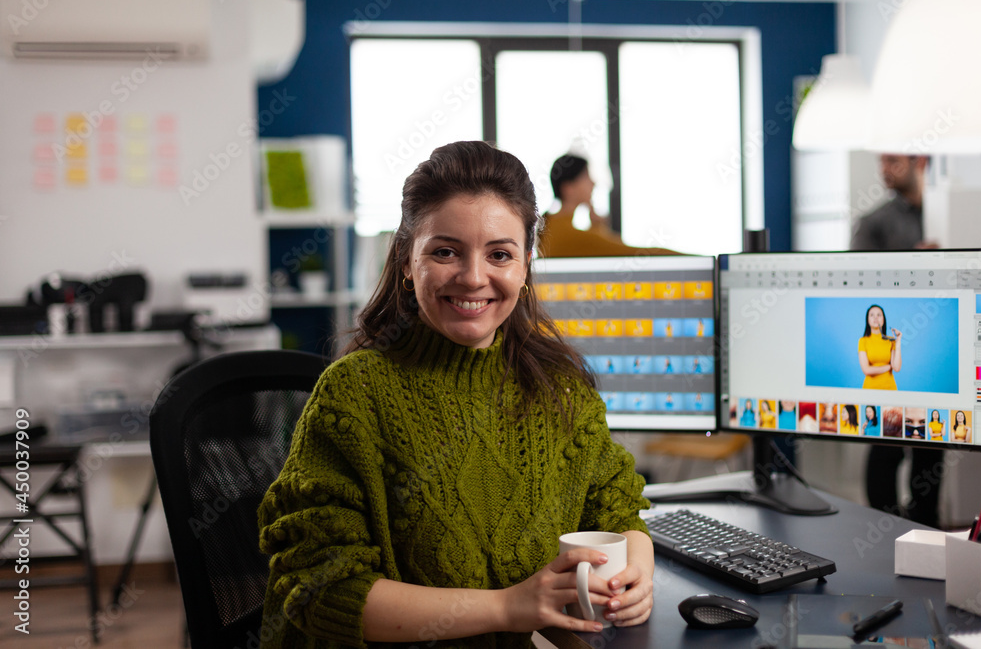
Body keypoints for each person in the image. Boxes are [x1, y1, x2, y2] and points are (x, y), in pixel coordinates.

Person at [256, 141, 654, 648]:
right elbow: (321, 588)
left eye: (500, 255)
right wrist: (508, 607)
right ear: (405, 260)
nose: (473, 277)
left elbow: (616, 507)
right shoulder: (353, 395)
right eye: (445, 251)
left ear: (526, 264)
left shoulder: (561, 386)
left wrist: (637, 567)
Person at [852, 153, 942, 529]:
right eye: (882, 161)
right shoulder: (873, 224)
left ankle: (927, 533)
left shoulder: (942, 214)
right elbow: (856, 287)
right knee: (885, 448)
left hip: (932, 351)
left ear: (919, 159)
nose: (884, 169)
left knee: (931, 452)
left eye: (893, 161)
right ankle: (883, 530)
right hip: (886, 354)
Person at [539, 153, 678, 258]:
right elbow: (624, 252)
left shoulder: (552, 225)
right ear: (568, 188)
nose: (593, 183)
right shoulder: (564, 233)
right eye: (586, 177)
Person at [858, 304, 902, 390]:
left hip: (889, 387)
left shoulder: (891, 340)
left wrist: (898, 341)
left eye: (879, 315)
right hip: (869, 388)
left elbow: (896, 367)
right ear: (868, 320)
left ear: (883, 319)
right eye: (872, 315)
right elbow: (866, 370)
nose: (875, 318)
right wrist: (888, 367)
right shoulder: (863, 341)